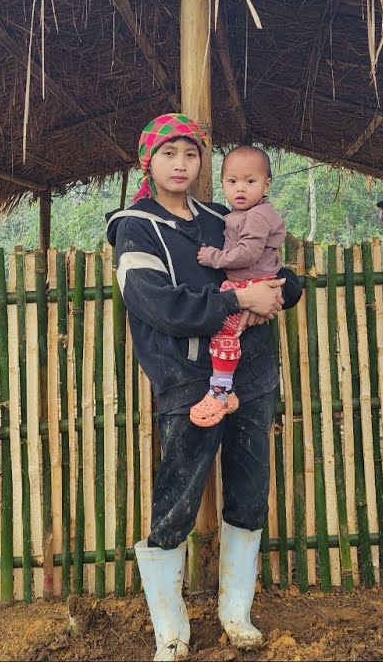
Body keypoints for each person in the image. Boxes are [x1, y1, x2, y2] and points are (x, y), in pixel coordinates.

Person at [105, 114, 303, 661]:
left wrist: (283, 289)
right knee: (178, 497)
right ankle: (170, 629)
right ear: (148, 159)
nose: (180, 164)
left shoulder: (221, 216)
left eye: (190, 155)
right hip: (187, 380)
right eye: (168, 153)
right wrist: (238, 300)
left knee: (248, 489)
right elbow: (155, 304)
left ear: (201, 163)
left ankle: (235, 613)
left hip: (252, 374)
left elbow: (272, 267)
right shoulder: (135, 226)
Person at [191, 145, 288, 426]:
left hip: (252, 283)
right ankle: (224, 388)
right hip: (247, 284)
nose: (240, 188)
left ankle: (221, 390)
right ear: (222, 183)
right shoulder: (238, 213)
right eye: (232, 182)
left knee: (224, 330)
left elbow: (248, 254)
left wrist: (213, 257)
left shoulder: (256, 216)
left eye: (250, 181)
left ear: (266, 184)